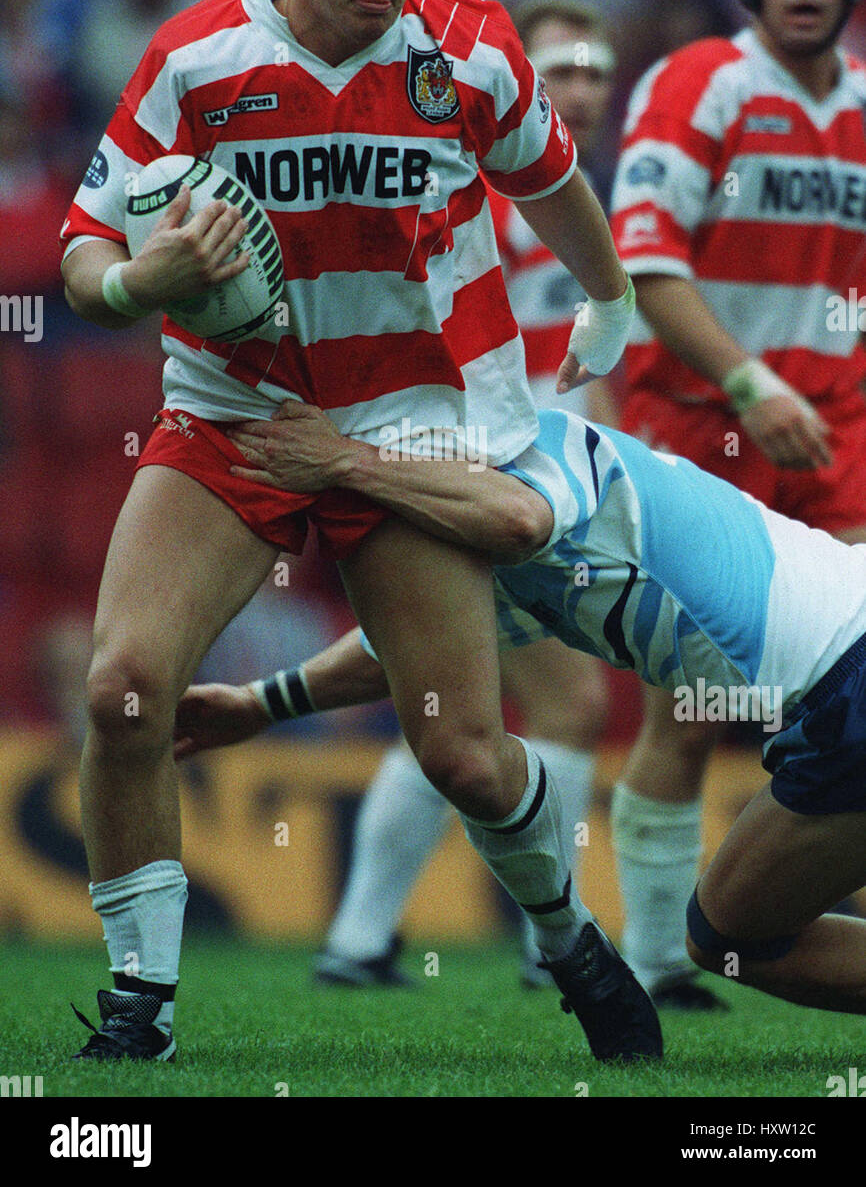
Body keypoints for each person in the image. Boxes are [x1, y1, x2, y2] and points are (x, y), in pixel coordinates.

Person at [59, 0, 643, 1062]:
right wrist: (137, 280)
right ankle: (138, 1009)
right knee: (119, 693)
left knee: (469, 760)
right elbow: (82, 254)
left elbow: (551, 179)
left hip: (410, 420)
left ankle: (567, 939)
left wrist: (611, 299)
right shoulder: (195, 58)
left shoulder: (468, 45)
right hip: (232, 413)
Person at [177, 396, 866, 1021]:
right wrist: (258, 704)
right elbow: (398, 652)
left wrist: (344, 463)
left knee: (734, 936)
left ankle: (358, 943)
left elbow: (519, 516)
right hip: (839, 699)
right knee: (729, 932)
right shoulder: (510, 559)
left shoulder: (541, 445)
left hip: (850, 674)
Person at [310, 0, 619, 990]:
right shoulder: (474, 188)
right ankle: (545, 948)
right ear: (514, 79)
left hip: (516, 471)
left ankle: (358, 942)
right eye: (557, 69)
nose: (576, 88)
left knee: (454, 709)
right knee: (558, 700)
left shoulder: (565, 204)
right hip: (464, 463)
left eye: (593, 71)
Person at [607, 0, 866, 1006]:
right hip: (710, 426)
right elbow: (644, 263)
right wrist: (745, 379)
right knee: (692, 704)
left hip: (837, 432)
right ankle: (663, 959)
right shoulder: (699, 83)